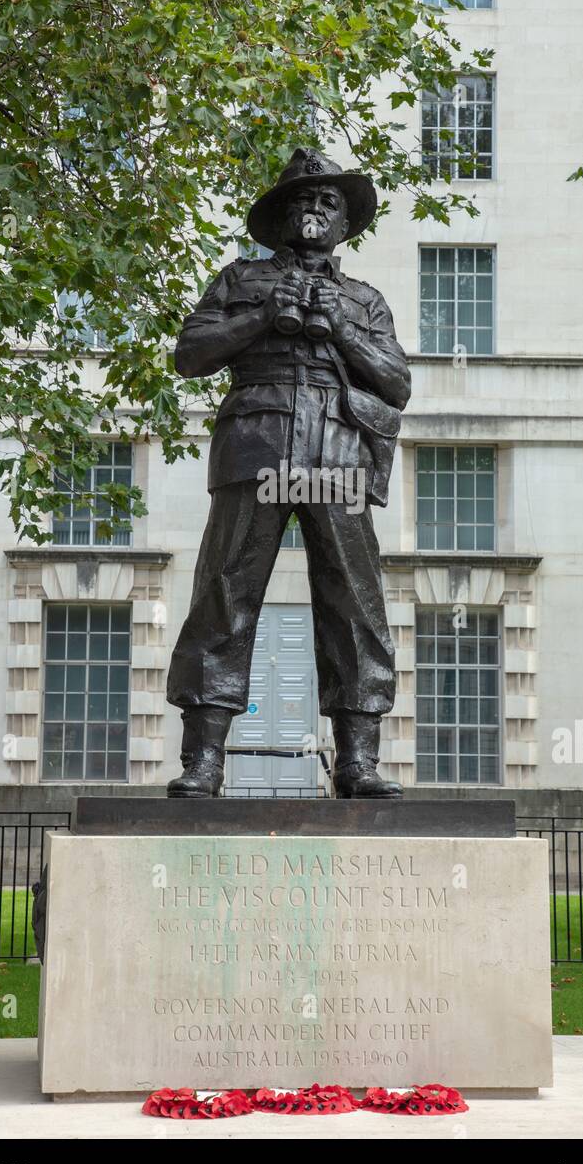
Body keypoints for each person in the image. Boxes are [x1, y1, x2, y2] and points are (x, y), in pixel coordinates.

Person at [166, 148, 410, 798]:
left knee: (353, 599)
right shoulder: (239, 279)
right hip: (257, 440)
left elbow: (396, 382)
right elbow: (189, 355)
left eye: (328, 202)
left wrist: (340, 330)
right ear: (280, 217)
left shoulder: (364, 299)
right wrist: (261, 315)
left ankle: (358, 760)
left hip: (337, 447)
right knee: (225, 593)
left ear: (343, 223)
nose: (315, 209)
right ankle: (204, 760)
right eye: (302, 200)